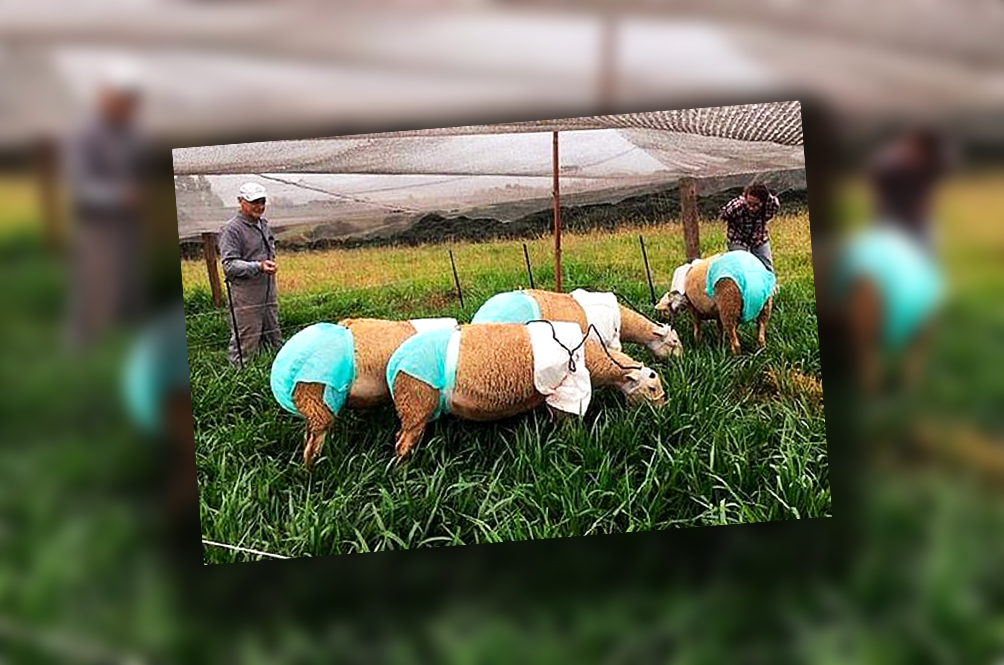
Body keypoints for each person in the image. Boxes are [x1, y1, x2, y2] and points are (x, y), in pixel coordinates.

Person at [63, 59, 148, 349]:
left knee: (128, 283)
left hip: (128, 226)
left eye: (131, 100)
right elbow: (78, 187)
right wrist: (120, 196)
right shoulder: (85, 135)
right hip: (97, 226)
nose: (128, 106)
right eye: (122, 98)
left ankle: (121, 344)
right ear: (105, 96)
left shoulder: (131, 135)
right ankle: (80, 345)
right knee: (95, 284)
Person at [218, 182, 281, 367]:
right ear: (241, 201)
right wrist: (258, 266)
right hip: (246, 295)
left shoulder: (263, 224)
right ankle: (239, 376)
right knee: (246, 339)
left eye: (262, 202)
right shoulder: (232, 229)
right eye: (254, 202)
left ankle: (274, 372)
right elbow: (229, 265)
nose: (259, 206)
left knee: (273, 337)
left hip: (268, 290)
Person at [719, 183, 781, 272]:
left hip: (758, 237)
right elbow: (723, 215)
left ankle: (767, 280)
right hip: (737, 238)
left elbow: (772, 203)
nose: (751, 208)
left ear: (763, 202)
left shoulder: (771, 205)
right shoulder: (736, 207)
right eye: (749, 203)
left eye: (756, 205)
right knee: (742, 266)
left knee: (766, 266)